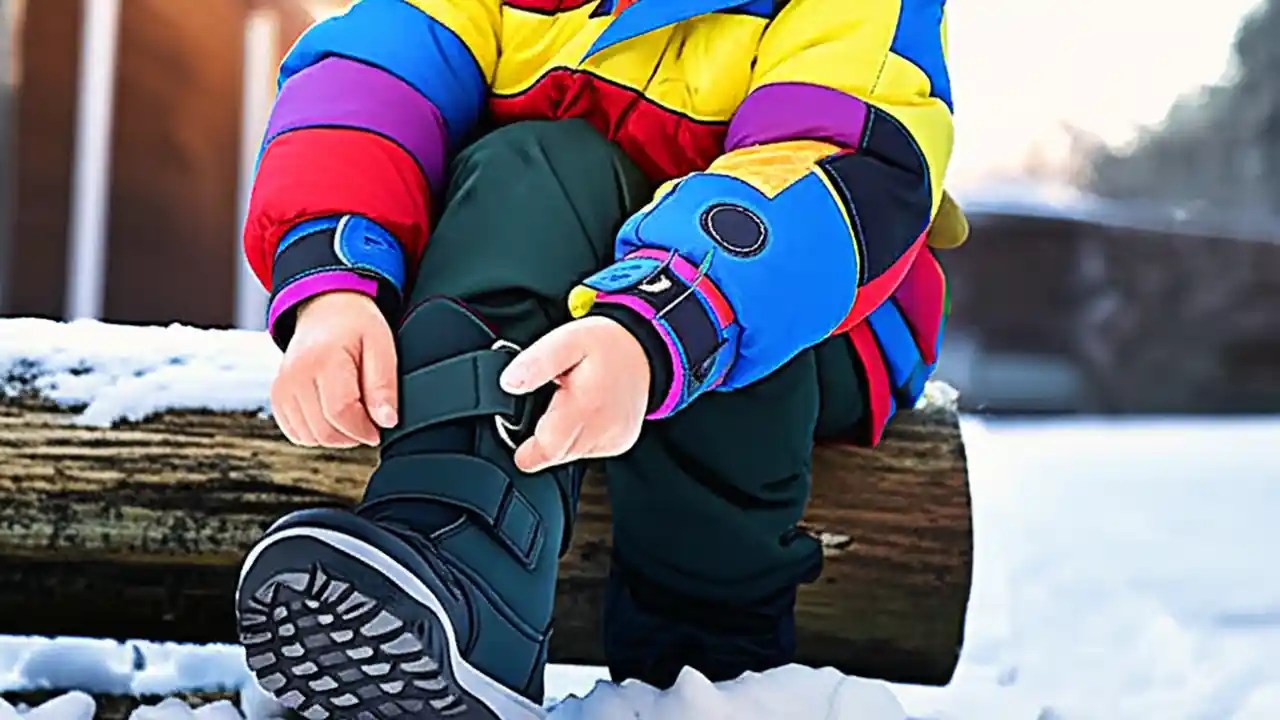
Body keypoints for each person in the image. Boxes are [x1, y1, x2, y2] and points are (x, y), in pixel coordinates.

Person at [234, 1, 967, 718]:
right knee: (530, 165)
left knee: (748, 329)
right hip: (540, 275)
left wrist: (659, 320)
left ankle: (708, 671)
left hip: (813, 297)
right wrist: (333, 276)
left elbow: (835, 160)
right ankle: (463, 561)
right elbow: (374, 76)